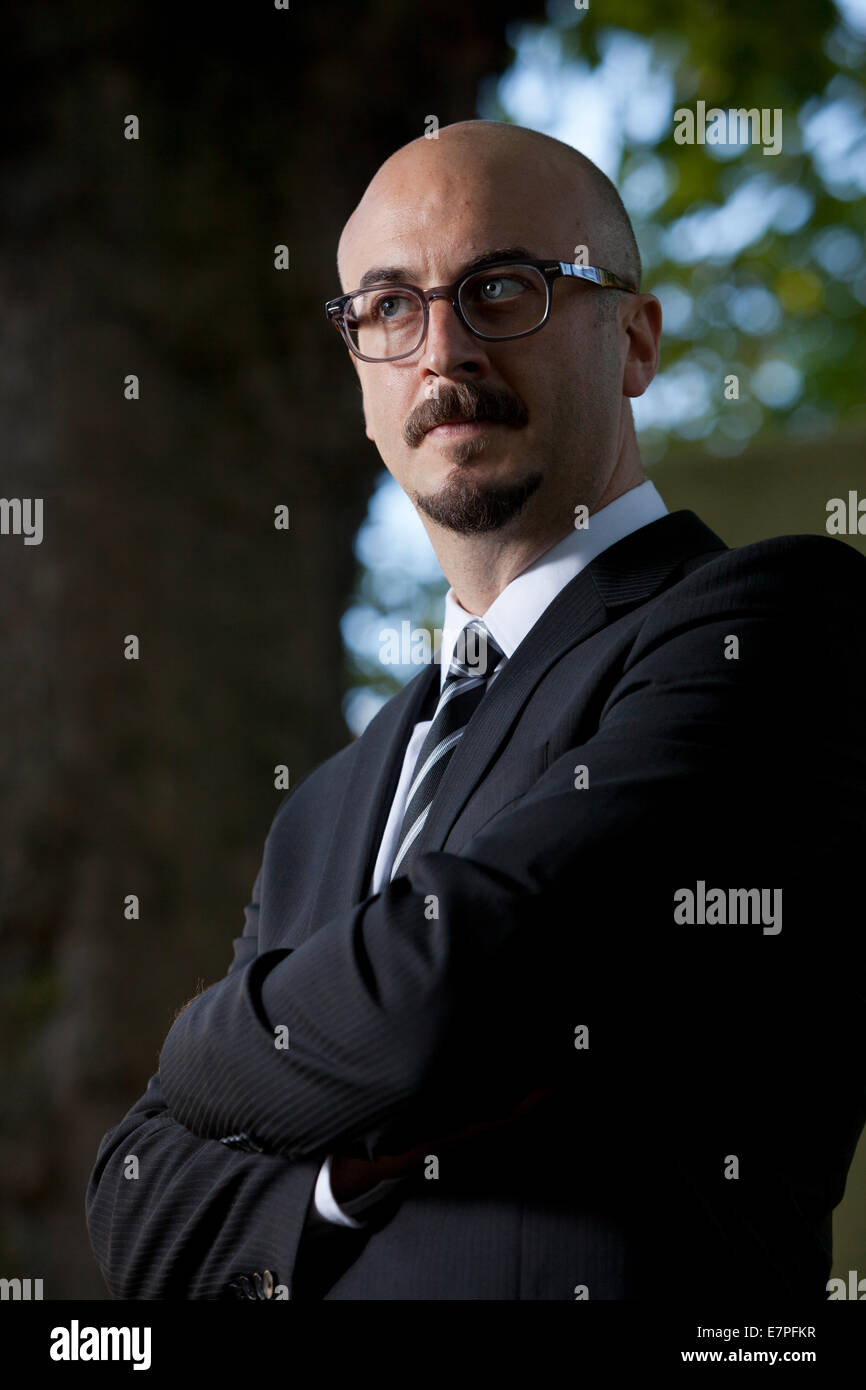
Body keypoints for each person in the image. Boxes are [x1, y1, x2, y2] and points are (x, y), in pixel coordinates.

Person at [86, 120, 866, 1301]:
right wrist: (343, 1173)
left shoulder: (770, 625)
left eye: (502, 287)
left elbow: (440, 1002)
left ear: (635, 340)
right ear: (357, 375)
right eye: (390, 308)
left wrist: (202, 1041)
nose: (442, 351)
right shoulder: (332, 802)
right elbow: (137, 1198)